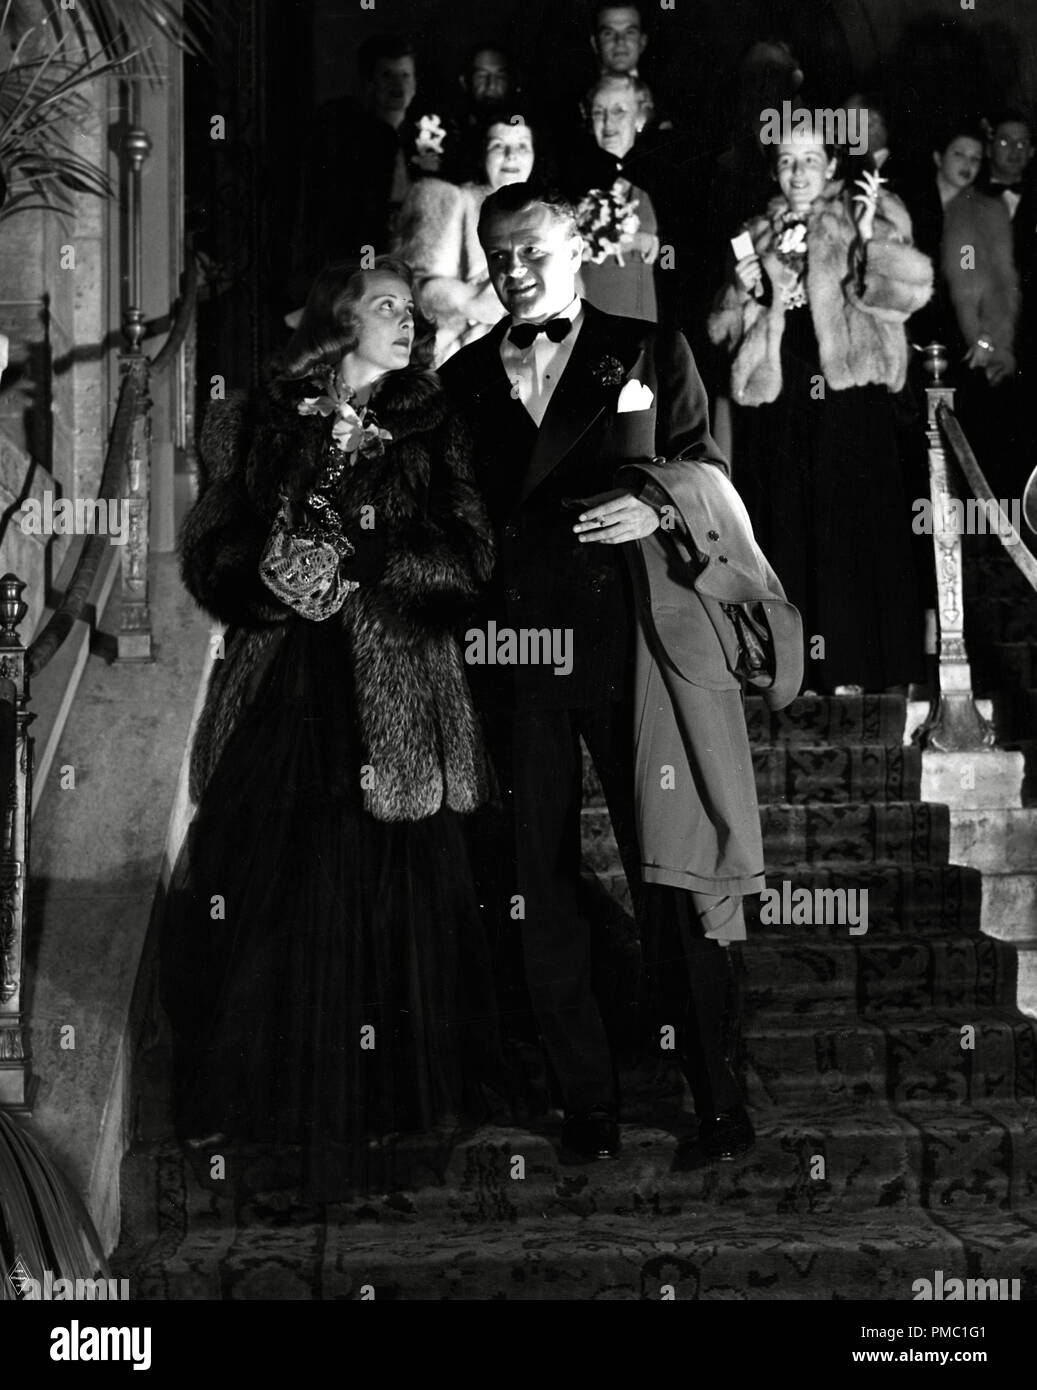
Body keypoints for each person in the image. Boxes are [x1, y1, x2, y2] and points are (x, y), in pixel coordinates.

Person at [440, 181, 801, 1166]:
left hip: (635, 652)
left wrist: (657, 503)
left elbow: (708, 471)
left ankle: (718, 1100)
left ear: (574, 251)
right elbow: (446, 517)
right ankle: (585, 1104)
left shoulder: (646, 347)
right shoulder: (465, 377)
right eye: (496, 253)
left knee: (674, 880)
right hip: (515, 659)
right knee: (536, 887)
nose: (514, 269)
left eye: (531, 249)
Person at [161, 258, 506, 1199]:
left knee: (386, 893)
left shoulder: (430, 422)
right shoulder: (261, 417)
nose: (408, 323)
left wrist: (376, 555)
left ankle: (388, 1105)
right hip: (285, 679)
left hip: (391, 676)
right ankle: (260, 1101)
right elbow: (210, 551)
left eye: (412, 310)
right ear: (337, 319)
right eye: (387, 307)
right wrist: (261, 581)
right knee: (270, 883)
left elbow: (470, 560)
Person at [709, 119, 934, 694]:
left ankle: (861, 670)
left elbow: (905, 296)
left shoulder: (874, 212)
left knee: (850, 524)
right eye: (787, 161)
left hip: (849, 399)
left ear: (833, 166)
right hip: (783, 403)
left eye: (811, 160)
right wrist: (744, 293)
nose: (799, 172)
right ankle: (798, 673)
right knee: (789, 523)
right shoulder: (756, 231)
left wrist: (865, 239)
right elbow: (723, 331)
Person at [392, 112, 537, 364]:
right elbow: (414, 286)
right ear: (482, 155)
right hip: (460, 354)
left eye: (522, 146)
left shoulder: (548, 214)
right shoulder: (450, 199)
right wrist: (470, 302)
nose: (511, 155)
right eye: (498, 146)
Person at [290, 36, 427, 300]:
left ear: (415, 84)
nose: (397, 85)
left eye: (405, 75)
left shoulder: (424, 137)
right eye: (387, 75)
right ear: (370, 83)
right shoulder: (347, 137)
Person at [572, 73, 661, 323]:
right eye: (599, 112)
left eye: (619, 110)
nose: (608, 121)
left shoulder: (662, 174)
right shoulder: (572, 180)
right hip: (594, 307)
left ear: (640, 118)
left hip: (647, 309)